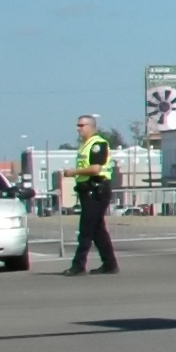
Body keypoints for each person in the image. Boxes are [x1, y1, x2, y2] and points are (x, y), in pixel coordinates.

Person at [63, 113, 117, 276]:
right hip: (87, 190)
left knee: (86, 229)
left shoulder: (97, 144)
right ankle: (109, 264)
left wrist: (73, 172)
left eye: (81, 125)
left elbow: (95, 168)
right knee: (97, 230)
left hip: (97, 189)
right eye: (78, 125)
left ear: (91, 126)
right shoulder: (85, 145)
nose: (78, 128)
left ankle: (78, 265)